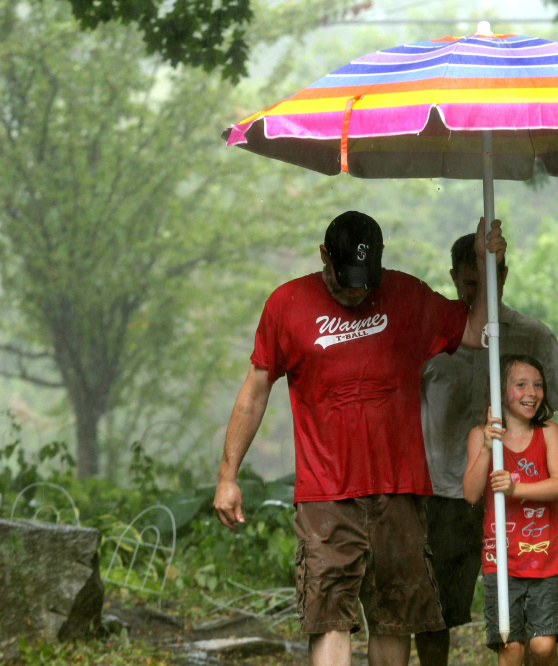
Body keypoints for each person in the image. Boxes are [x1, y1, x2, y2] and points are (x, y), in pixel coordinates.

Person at [213, 211, 506, 666]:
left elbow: (477, 331)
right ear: (324, 257)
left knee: (394, 618)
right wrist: (227, 474)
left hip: (401, 490)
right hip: (326, 495)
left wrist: (489, 269)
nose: (355, 290)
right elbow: (254, 392)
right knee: (329, 617)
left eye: (364, 281)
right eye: (345, 278)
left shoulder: (406, 295)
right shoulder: (287, 304)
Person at [415, 235, 558, 665]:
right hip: (447, 491)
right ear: (454, 280)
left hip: (521, 495)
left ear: (505, 276)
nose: (478, 293)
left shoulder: (532, 336)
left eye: (488, 280)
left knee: (527, 611)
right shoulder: (431, 339)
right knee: (435, 611)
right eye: (468, 283)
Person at [463, 354, 558, 666]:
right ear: (499, 391)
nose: (532, 392)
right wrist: (486, 447)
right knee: (511, 648)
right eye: (521, 384)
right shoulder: (479, 437)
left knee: (541, 646)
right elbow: (470, 494)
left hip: (544, 559)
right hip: (501, 562)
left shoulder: (548, 432)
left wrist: (515, 489)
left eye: (538, 385)